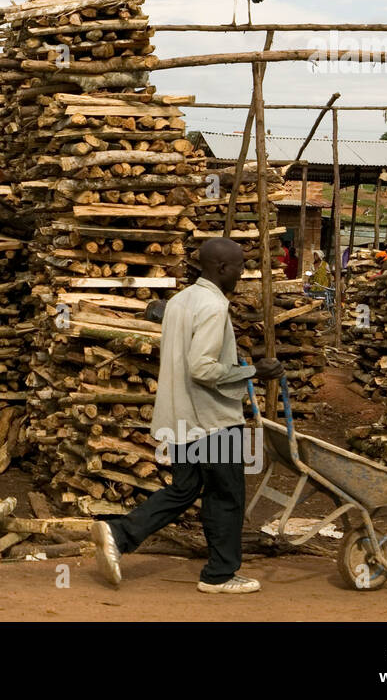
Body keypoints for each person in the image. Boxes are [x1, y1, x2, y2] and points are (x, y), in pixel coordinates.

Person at [91, 237, 283, 594]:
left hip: (181, 417)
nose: (243, 273)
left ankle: (118, 532)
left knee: (184, 490)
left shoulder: (180, 301)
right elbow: (202, 368)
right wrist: (254, 372)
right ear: (221, 268)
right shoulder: (212, 306)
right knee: (226, 496)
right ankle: (220, 575)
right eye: (240, 266)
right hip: (213, 422)